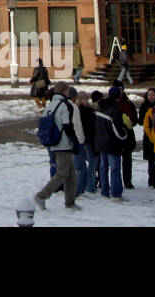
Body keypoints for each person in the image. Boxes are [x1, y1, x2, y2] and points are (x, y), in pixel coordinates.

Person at [34, 82, 83, 211]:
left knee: (70, 173)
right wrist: (75, 140)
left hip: (54, 142)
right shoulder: (64, 105)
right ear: (64, 91)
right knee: (62, 173)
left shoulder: (50, 105)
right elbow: (67, 125)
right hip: (63, 144)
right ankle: (41, 196)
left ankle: (70, 201)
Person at [94, 86, 129, 201]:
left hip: (100, 143)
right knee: (114, 169)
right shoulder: (115, 111)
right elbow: (117, 130)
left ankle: (104, 191)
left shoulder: (100, 108)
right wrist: (124, 135)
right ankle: (116, 193)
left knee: (103, 168)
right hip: (112, 144)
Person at [113, 81, 138, 188]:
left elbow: (135, 119)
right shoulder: (110, 104)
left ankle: (127, 181)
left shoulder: (128, 103)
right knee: (114, 161)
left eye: (121, 89)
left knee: (127, 160)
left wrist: (130, 123)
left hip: (127, 135)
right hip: (114, 135)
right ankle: (116, 181)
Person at [75, 92, 100, 194]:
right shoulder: (85, 111)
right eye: (83, 99)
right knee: (92, 164)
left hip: (86, 140)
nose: (86, 101)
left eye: (87, 99)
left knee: (89, 164)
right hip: (88, 140)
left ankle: (88, 185)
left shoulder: (83, 110)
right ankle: (90, 186)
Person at [137, 87, 155, 188]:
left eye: (153, 95)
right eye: (149, 95)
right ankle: (151, 180)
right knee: (151, 160)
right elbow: (141, 121)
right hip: (148, 135)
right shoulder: (144, 106)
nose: (151, 97)